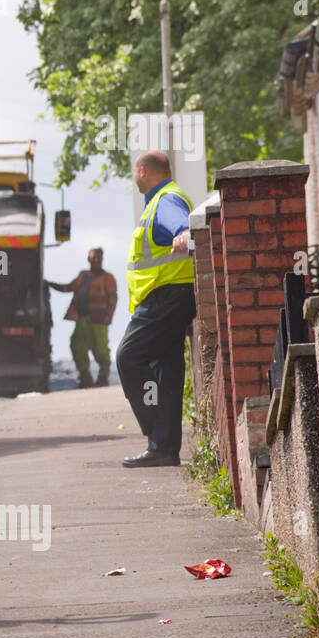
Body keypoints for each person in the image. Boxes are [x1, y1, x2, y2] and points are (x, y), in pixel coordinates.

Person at [114, 151, 196, 468]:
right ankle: (163, 448)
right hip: (171, 296)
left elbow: (181, 227)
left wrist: (185, 234)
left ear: (143, 170)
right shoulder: (160, 199)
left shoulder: (166, 200)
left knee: (128, 356)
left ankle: (155, 425)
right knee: (168, 370)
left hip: (165, 297)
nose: (134, 177)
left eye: (134, 172)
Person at [46, 247, 118, 388]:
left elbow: (113, 298)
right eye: (93, 258)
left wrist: (109, 316)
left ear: (102, 259)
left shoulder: (107, 277)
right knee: (77, 346)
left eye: (98, 258)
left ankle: (102, 379)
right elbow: (69, 288)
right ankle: (86, 379)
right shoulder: (83, 276)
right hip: (82, 319)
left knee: (101, 350)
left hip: (99, 321)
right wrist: (50, 284)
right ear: (88, 259)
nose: (96, 260)